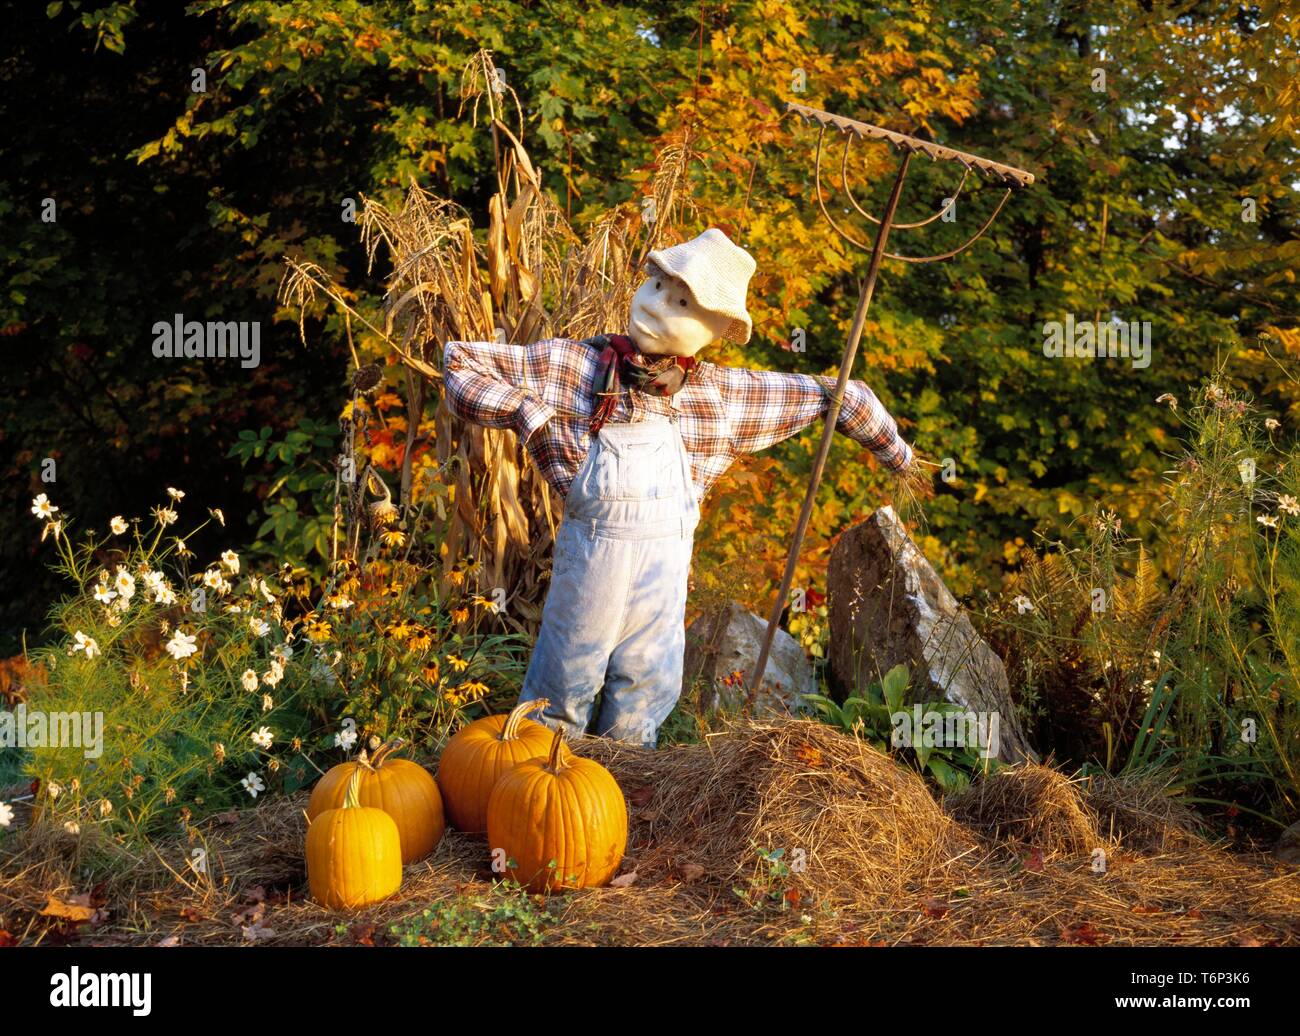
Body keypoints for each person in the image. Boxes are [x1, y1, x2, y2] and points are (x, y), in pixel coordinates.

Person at [443, 227, 914, 746]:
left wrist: (898, 456)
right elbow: (461, 362)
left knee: (642, 699)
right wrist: (526, 413)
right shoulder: (573, 367)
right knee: (560, 689)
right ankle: (535, 791)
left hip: (659, 593)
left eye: (683, 302)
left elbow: (839, 396)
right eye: (657, 287)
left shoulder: (717, 398)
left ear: (715, 328)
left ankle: (621, 797)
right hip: (587, 584)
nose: (657, 306)